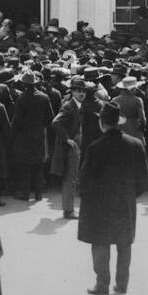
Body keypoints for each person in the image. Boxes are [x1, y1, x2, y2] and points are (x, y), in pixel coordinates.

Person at [78, 102, 148, 295]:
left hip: (100, 203)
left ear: (102, 123)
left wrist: (87, 198)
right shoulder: (135, 144)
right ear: (119, 122)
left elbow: (85, 180)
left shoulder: (95, 147)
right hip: (125, 201)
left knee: (101, 242)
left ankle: (102, 284)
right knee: (124, 242)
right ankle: (122, 283)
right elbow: (143, 178)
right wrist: (130, 195)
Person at [8, 73, 53, 201]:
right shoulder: (44, 97)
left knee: (25, 165)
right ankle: (39, 193)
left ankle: (25, 192)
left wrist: (13, 134)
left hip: (24, 136)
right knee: (39, 164)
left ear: (23, 84)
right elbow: (50, 118)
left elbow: (16, 120)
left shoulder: (22, 98)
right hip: (39, 134)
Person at [51, 79, 83, 218]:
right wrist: (67, 139)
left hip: (77, 145)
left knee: (72, 177)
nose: (81, 93)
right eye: (78, 90)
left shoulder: (77, 105)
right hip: (71, 147)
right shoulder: (69, 106)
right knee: (70, 178)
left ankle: (69, 209)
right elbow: (56, 122)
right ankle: (68, 210)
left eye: (83, 91)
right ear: (73, 91)